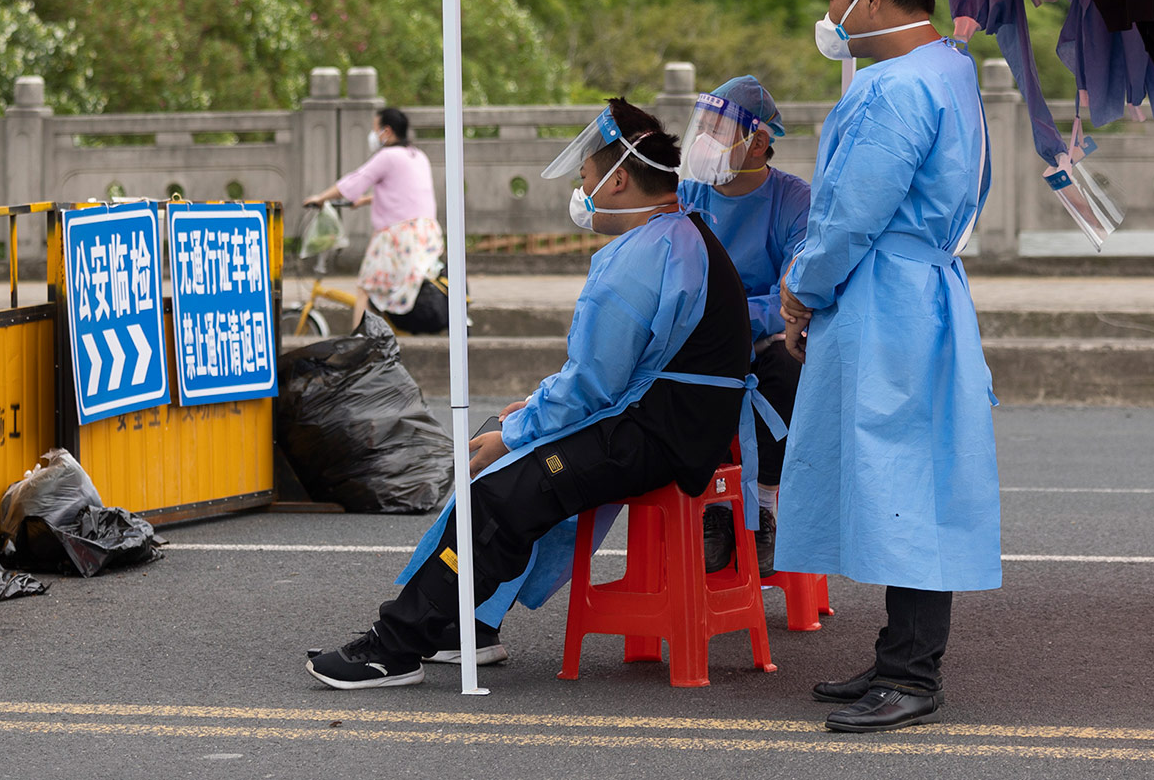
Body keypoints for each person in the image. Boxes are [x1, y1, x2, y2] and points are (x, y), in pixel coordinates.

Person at [305, 98, 759, 689]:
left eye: (588, 177)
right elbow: (601, 377)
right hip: (674, 420)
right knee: (508, 447)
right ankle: (459, 622)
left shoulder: (637, 257)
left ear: (618, 179)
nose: (583, 188)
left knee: (498, 492)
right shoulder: (678, 230)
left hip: (663, 432)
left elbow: (593, 384)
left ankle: (396, 646)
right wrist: (528, 416)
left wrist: (520, 430)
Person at [776, 0, 998, 735]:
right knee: (910, 472)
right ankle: (898, 649)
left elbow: (851, 212)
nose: (830, 13)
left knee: (899, 474)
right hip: (923, 285)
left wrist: (802, 287)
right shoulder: (950, 69)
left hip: (883, 295)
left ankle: (912, 672)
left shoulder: (890, 87)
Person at [676, 74, 810, 577]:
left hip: (765, 340)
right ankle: (713, 508)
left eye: (719, 128)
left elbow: (796, 289)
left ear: (758, 141)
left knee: (784, 360)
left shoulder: (794, 199)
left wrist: (737, 318)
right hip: (702, 341)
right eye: (703, 126)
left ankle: (765, 507)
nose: (705, 138)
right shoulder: (688, 196)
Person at [303, 107, 447, 335]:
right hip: (425, 235)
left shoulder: (387, 157)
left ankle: (359, 348)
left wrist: (321, 197)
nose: (374, 134)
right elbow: (405, 194)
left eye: (375, 129)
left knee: (366, 289)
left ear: (386, 131)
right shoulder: (418, 155)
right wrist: (367, 201)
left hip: (398, 237)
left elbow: (355, 181)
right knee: (389, 289)